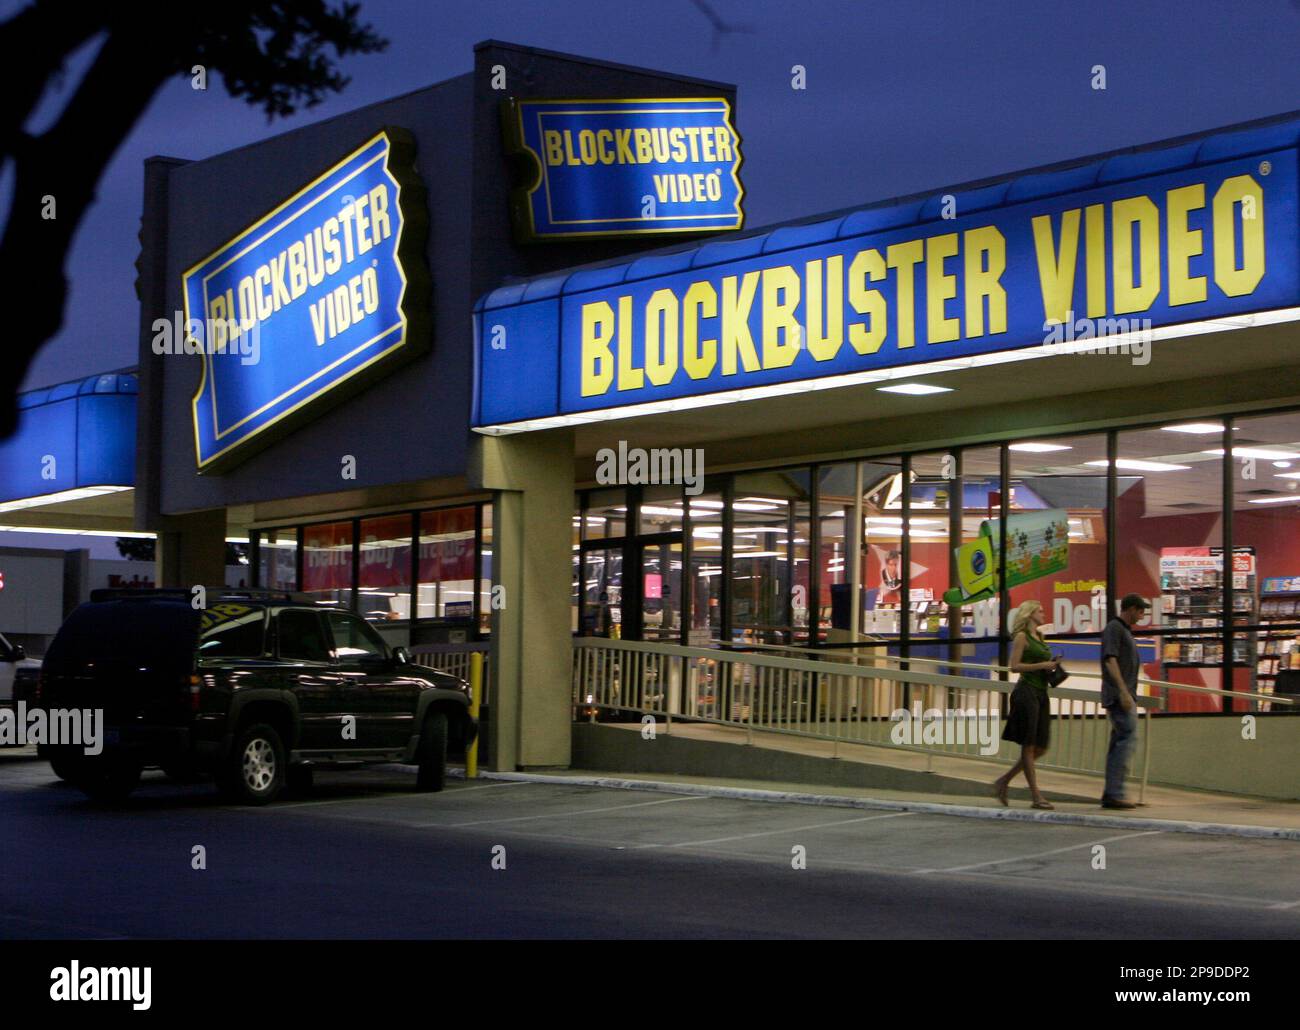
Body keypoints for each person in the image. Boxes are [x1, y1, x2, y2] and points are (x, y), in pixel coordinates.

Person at [993, 599, 1061, 809]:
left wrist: (1052, 667)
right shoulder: (1022, 637)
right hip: (1026, 692)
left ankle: (1004, 780)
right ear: (1030, 614)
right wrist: (1043, 664)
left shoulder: (1040, 636)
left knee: (1041, 746)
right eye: (1040, 611)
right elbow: (1014, 666)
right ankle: (1036, 796)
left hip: (1041, 692)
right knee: (1029, 745)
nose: (1043, 613)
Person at [1100, 593, 1148, 809]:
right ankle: (1115, 793)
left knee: (1120, 742)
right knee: (1127, 739)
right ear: (1130, 609)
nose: (1142, 614)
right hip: (1120, 696)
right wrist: (1123, 691)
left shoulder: (1124, 631)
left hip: (1124, 694)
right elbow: (1110, 660)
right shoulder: (1115, 628)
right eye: (1140, 610)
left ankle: (1112, 792)